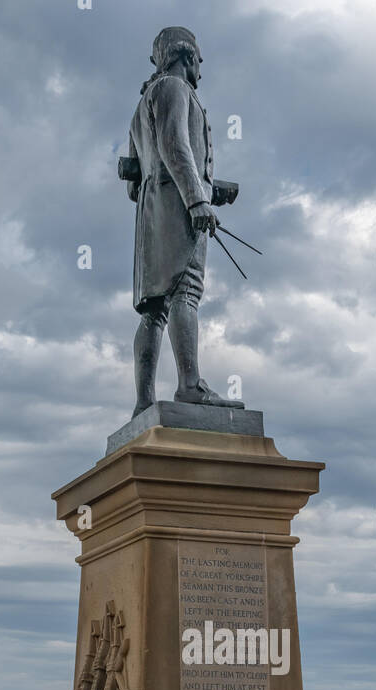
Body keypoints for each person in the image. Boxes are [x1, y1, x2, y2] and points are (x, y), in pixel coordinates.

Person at [124, 27, 243, 417]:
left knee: (153, 309)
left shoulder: (141, 105)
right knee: (185, 293)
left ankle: (143, 402)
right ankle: (190, 385)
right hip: (178, 210)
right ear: (186, 56)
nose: (202, 68)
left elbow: (135, 181)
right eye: (199, 59)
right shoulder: (176, 88)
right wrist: (196, 199)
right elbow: (175, 144)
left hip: (150, 214)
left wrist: (213, 189)